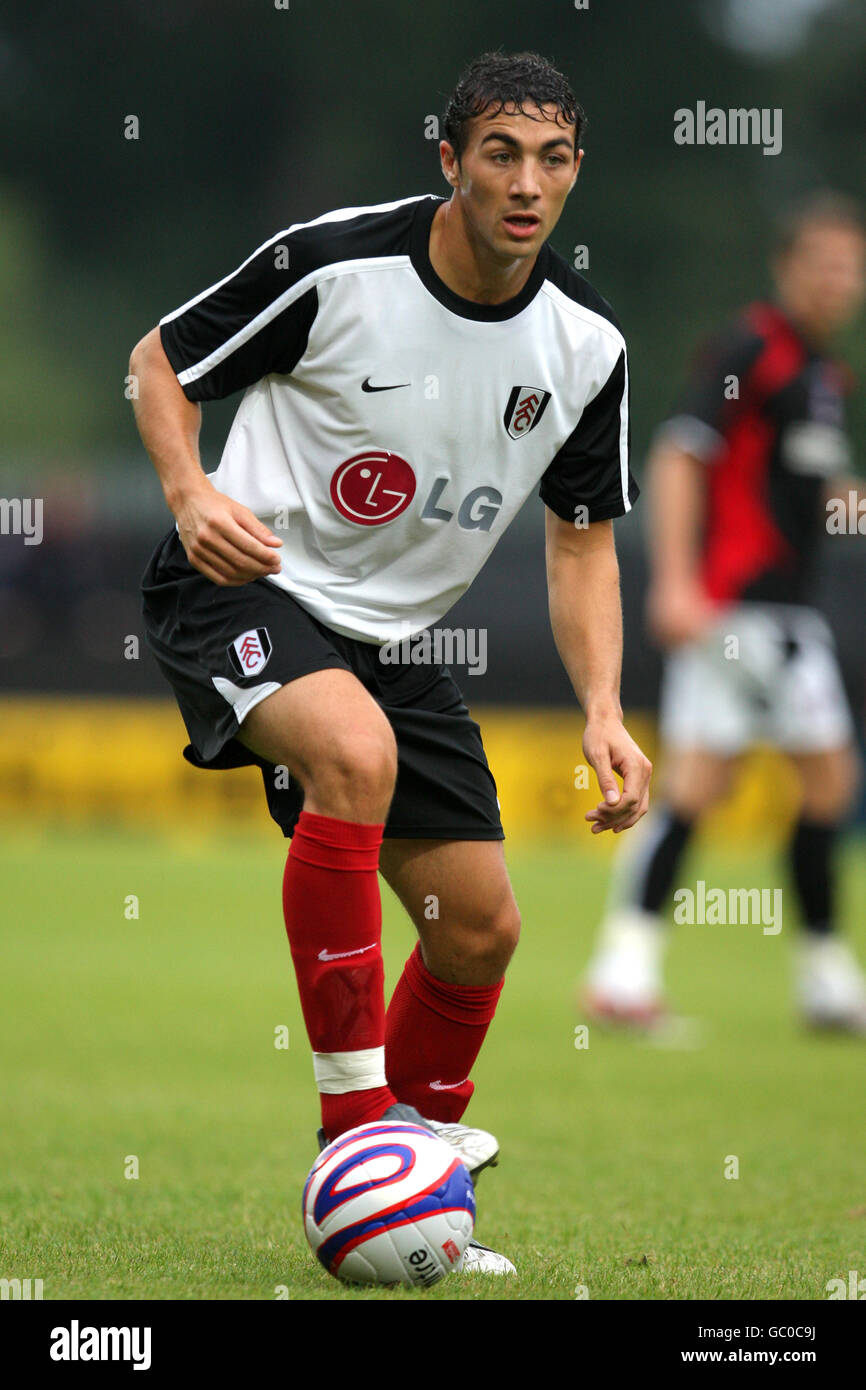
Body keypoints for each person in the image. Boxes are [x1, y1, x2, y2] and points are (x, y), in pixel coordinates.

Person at [131, 50, 651, 1275]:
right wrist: (187, 490)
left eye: (553, 158)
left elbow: (581, 549)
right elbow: (160, 361)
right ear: (449, 161)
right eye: (499, 154)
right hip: (236, 587)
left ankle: (395, 1180)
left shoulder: (585, 350)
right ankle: (355, 1130)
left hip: (390, 644)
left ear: (576, 172)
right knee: (352, 754)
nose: (526, 183)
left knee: (479, 932)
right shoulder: (335, 264)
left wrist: (601, 710)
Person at [583, 192, 866, 1034]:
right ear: (786, 267)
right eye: (822, 261)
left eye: (850, 265)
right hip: (748, 612)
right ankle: (824, 981)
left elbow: (810, 501)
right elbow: (679, 452)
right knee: (830, 782)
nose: (837, 279)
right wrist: (673, 582)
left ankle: (623, 973)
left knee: (698, 787)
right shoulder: (755, 348)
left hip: (767, 613)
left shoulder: (825, 377)